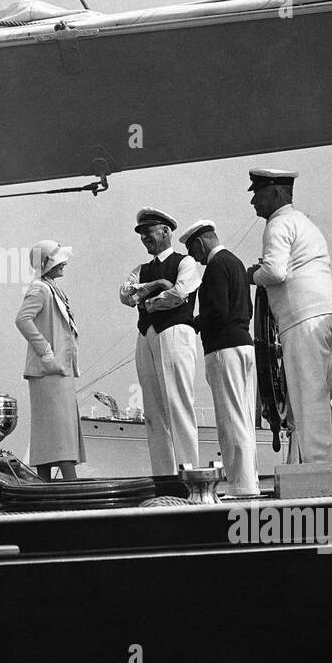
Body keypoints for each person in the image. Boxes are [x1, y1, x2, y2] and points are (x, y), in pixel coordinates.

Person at [246, 169, 332, 463]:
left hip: (303, 321)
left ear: (276, 194)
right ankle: (330, 469)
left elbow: (275, 272)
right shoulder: (305, 223)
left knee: (307, 404)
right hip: (329, 315)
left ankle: (320, 482)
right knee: (319, 402)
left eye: (257, 194)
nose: (252, 201)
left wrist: (252, 275)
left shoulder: (278, 224)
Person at [119, 208, 201, 478]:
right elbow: (126, 295)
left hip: (175, 332)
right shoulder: (140, 269)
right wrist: (158, 283)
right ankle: (165, 477)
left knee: (178, 403)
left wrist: (150, 298)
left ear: (166, 232)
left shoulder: (185, 262)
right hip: (147, 336)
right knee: (153, 410)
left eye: (148, 232)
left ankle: (189, 474)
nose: (144, 238)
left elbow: (179, 294)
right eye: (141, 234)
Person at [181, 219, 258, 497]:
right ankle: (250, 480)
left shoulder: (214, 268)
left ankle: (240, 486)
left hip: (223, 349)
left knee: (230, 420)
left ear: (200, 243)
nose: (195, 259)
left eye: (194, 253)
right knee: (245, 417)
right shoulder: (236, 263)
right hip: (244, 345)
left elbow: (219, 311)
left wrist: (195, 321)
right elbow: (245, 308)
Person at [16, 240, 85, 481]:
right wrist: (46, 352)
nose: (64, 262)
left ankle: (48, 485)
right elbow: (23, 319)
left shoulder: (50, 287)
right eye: (59, 259)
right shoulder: (40, 288)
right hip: (49, 371)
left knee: (56, 434)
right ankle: (69, 486)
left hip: (59, 370)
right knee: (58, 435)